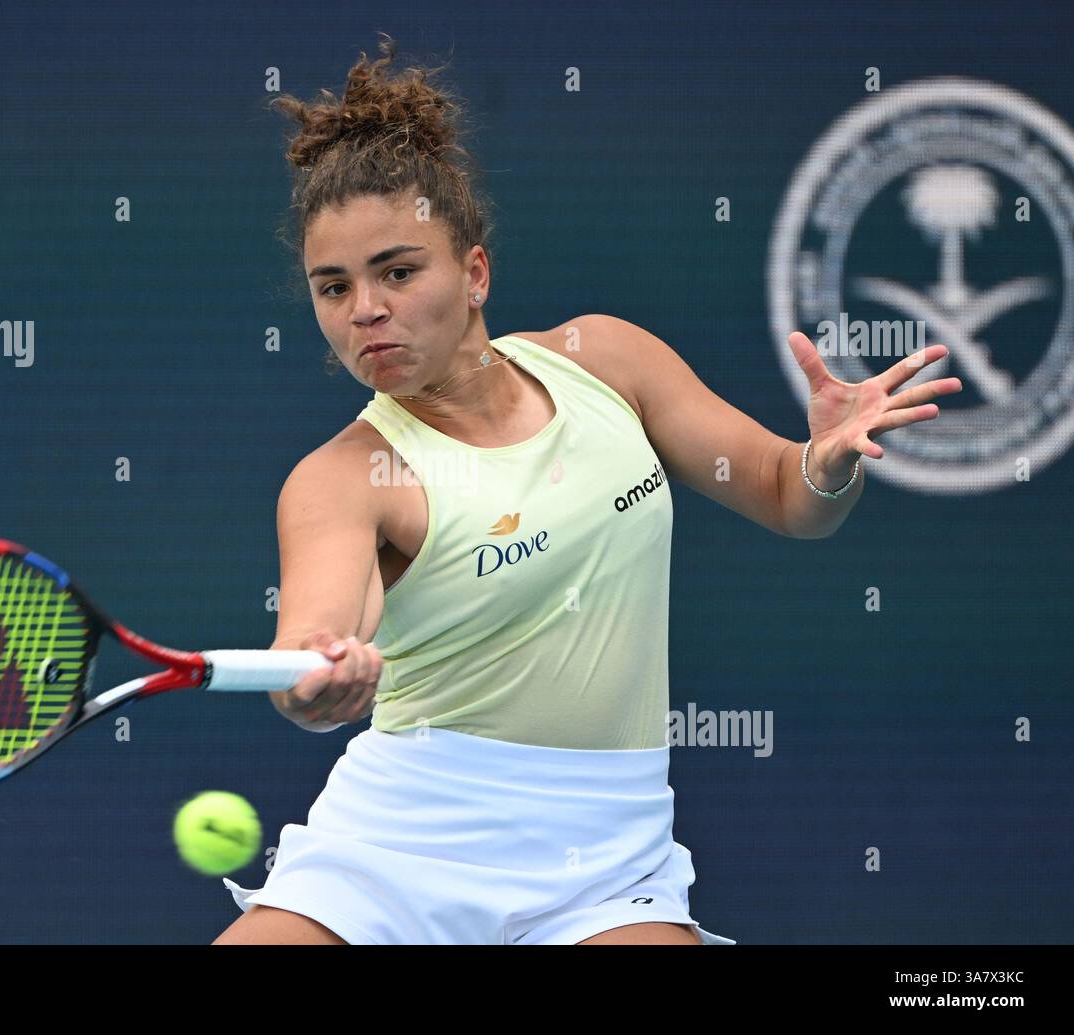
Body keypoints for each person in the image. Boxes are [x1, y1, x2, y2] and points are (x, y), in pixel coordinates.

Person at [212, 35, 960, 946]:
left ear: (475, 273)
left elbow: (784, 493)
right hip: (400, 838)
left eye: (398, 271)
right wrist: (318, 684)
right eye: (334, 287)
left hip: (604, 849)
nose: (365, 308)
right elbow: (312, 646)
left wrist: (824, 461)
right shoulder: (343, 477)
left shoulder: (603, 360)